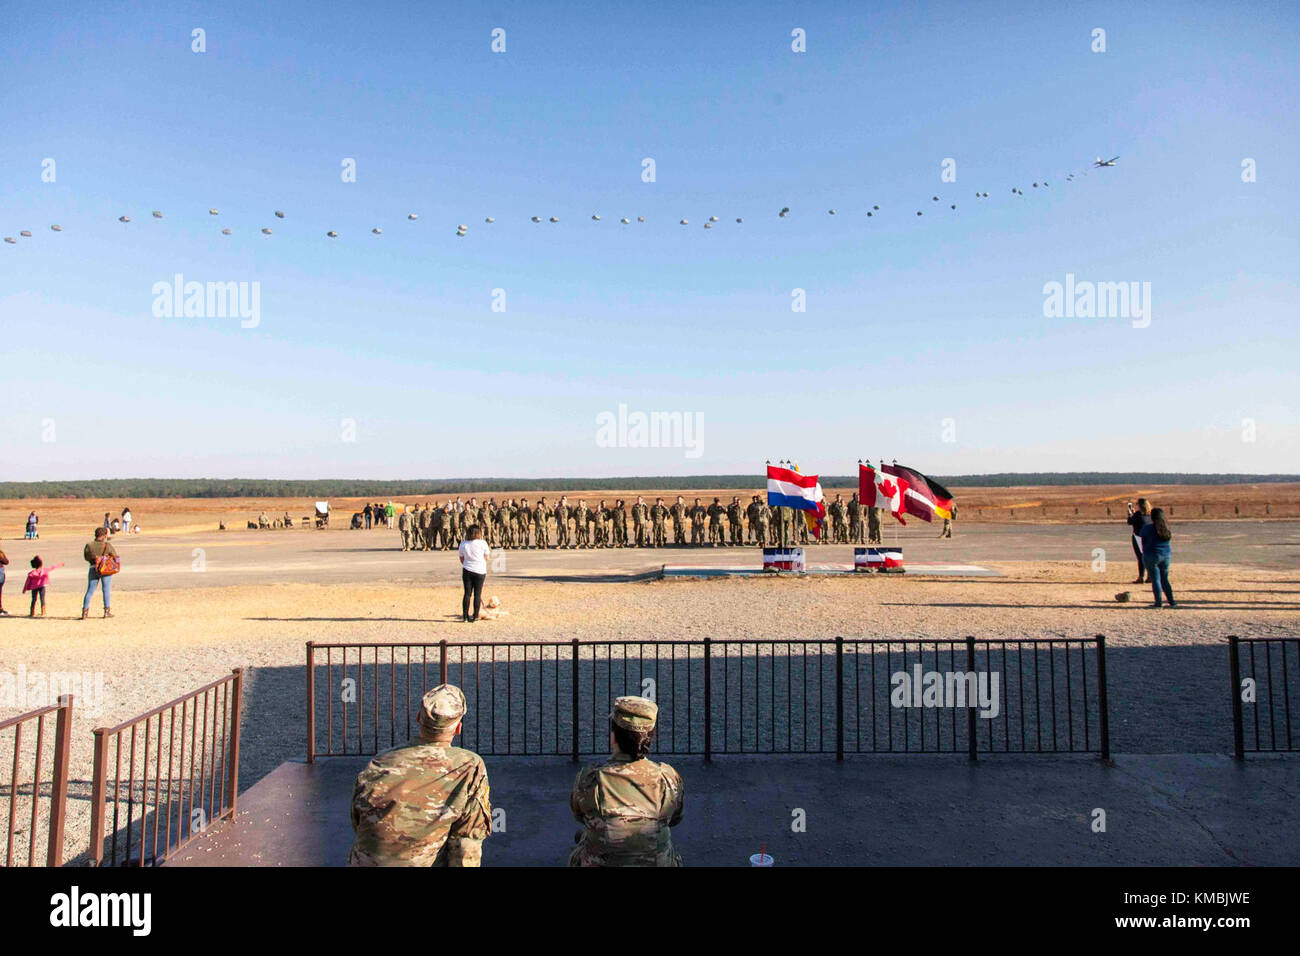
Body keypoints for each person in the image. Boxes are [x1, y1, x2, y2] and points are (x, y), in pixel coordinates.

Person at [348, 684, 492, 866]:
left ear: (418, 718)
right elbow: (466, 843)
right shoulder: (469, 767)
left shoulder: (382, 761)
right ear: (458, 728)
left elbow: (358, 819)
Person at [569, 696, 684, 867]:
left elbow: (578, 814)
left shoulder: (590, 778)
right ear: (650, 738)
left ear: (613, 736)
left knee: (581, 846)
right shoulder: (668, 778)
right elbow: (675, 818)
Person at [1139, 507, 1176, 608]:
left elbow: (1142, 542)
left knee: (1155, 580)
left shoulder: (1147, 528)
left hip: (1151, 555)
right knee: (1165, 579)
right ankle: (1171, 601)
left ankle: (1158, 602)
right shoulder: (1166, 528)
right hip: (1165, 555)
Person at [458, 523, 491, 622]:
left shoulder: (463, 544)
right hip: (480, 570)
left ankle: (465, 616)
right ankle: (476, 615)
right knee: (477, 594)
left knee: (467, 593)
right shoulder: (483, 543)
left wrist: (467, 564)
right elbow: (487, 557)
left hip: (467, 569)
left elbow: (461, 558)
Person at [82, 526, 118, 619]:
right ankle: (106, 611)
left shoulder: (89, 545)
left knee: (90, 591)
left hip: (93, 568)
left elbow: (86, 557)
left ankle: (85, 612)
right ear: (104, 535)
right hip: (105, 570)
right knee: (106, 590)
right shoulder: (107, 545)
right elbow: (115, 555)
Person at [1126, 498, 1152, 584]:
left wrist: (1130, 515)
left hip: (1138, 537)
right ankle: (1150, 576)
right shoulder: (1149, 514)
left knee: (1140, 557)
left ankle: (1141, 577)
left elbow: (1130, 522)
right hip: (1148, 537)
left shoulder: (1138, 514)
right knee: (1148, 556)